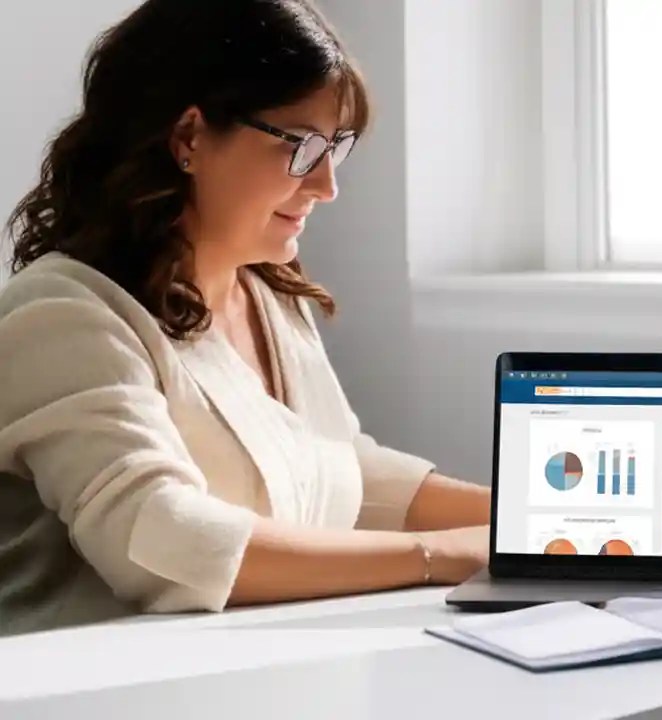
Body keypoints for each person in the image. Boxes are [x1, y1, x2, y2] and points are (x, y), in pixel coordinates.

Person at [0, 0, 490, 636]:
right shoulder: (60, 315)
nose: (326, 185)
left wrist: (543, 526)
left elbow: (337, 471)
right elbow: (161, 540)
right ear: (190, 137)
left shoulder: (268, 297)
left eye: (335, 146)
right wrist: (439, 557)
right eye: (302, 146)